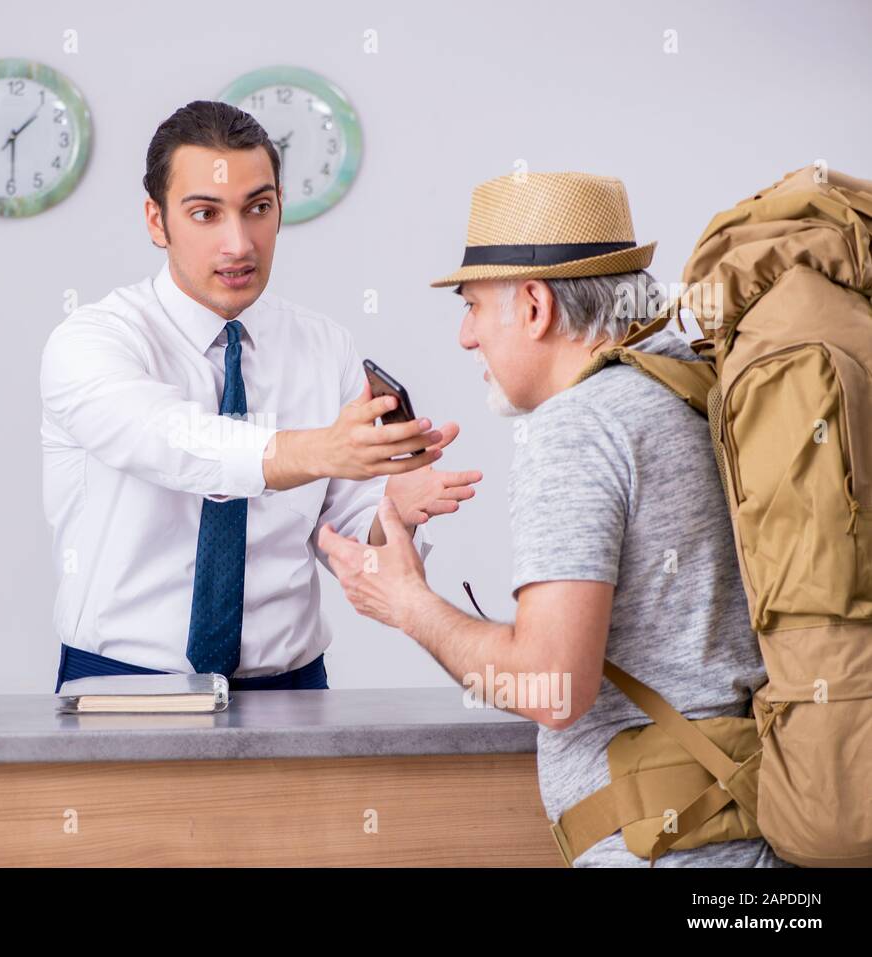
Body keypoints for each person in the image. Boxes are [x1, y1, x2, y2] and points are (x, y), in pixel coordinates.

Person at [318, 171, 791, 866]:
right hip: (747, 834)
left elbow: (552, 685)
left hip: (664, 848)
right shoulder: (696, 389)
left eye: (474, 305)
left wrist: (407, 602)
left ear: (535, 305)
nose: (465, 336)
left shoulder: (579, 424)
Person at [40, 100, 481, 692]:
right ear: (156, 220)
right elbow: (173, 442)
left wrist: (389, 516)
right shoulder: (92, 341)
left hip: (292, 687)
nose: (239, 244)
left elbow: (354, 545)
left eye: (258, 209)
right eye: (205, 214)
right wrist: (323, 451)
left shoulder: (325, 346)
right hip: (121, 683)